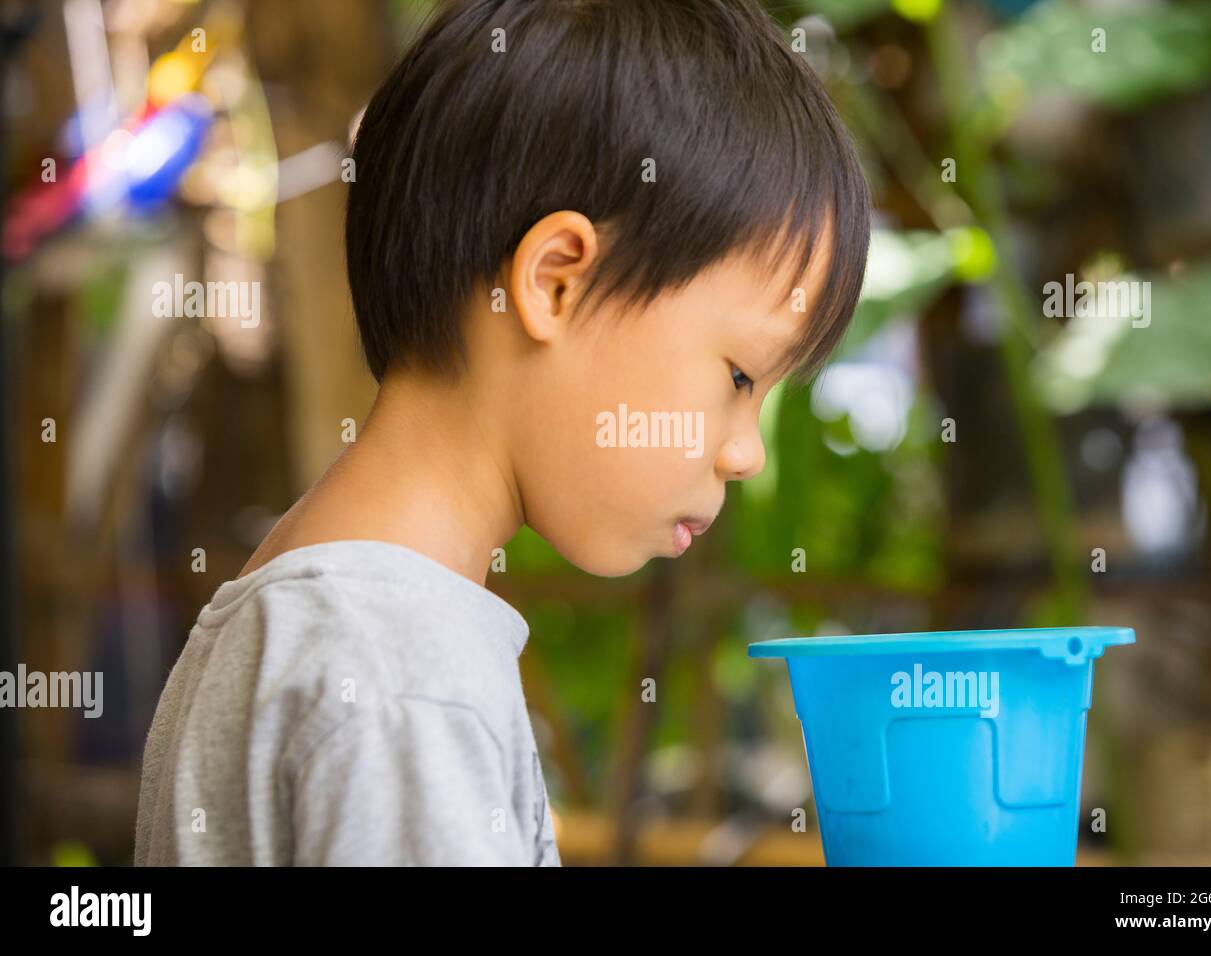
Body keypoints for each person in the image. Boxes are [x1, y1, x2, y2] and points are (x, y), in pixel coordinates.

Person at [134, 0, 870, 866]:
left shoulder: (323, 616)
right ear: (557, 283)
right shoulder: (401, 670)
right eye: (740, 377)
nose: (745, 452)